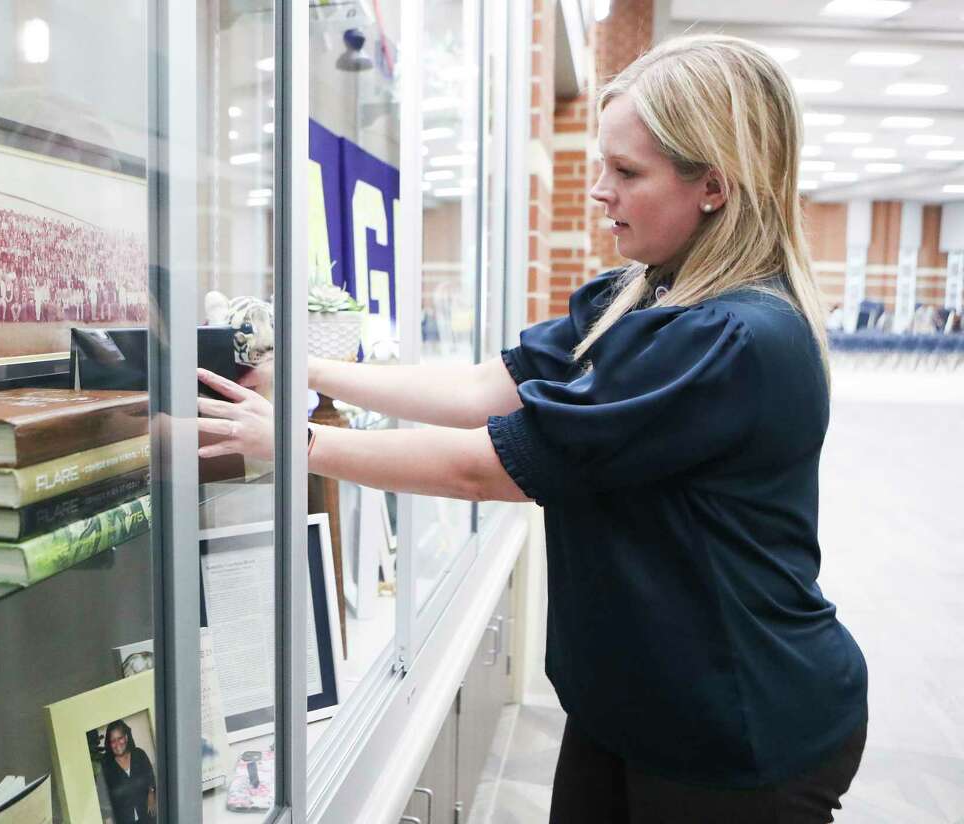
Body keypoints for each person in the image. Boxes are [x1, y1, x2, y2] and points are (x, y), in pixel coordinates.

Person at [195, 34, 868, 824]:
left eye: (627, 172)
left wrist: (295, 442)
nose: (598, 191)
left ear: (713, 186)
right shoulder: (639, 295)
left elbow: (486, 468)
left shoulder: (734, 339)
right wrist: (304, 373)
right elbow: (485, 388)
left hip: (736, 722)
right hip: (638, 704)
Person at [99, 719, 156, 824]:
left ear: (126, 737)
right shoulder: (106, 767)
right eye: (113, 741)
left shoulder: (139, 755)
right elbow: (103, 800)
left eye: (119, 738)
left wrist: (151, 793)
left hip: (148, 816)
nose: (117, 744)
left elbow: (150, 776)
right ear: (109, 744)